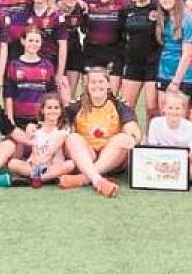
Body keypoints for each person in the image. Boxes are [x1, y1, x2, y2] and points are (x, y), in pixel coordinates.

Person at [59, 68, 140, 197]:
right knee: (72, 138)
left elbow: (133, 129)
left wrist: (131, 135)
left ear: (108, 84)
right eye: (93, 82)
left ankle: (84, 178)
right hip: (87, 155)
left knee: (124, 139)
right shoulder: (76, 106)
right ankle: (98, 180)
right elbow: (60, 127)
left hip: (112, 157)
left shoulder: (119, 104)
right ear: (87, 86)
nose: (97, 85)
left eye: (101, 82)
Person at [118, 0, 162, 118]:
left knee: (152, 108)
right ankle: (132, 138)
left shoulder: (159, 7)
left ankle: (151, 140)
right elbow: (121, 34)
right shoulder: (127, 9)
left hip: (153, 63)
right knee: (127, 107)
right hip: (132, 63)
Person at [7, 92, 75, 184]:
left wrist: (42, 161)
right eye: (49, 108)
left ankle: (39, 178)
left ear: (61, 110)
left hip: (53, 165)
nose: (53, 111)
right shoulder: (36, 129)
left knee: (70, 164)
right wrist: (35, 162)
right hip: (35, 165)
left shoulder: (63, 128)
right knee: (13, 163)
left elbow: (52, 150)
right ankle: (43, 177)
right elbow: (35, 150)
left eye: (56, 108)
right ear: (42, 110)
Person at [81, 0, 129, 91]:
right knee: (90, 93)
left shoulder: (123, 0)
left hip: (114, 51)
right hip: (91, 51)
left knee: (110, 94)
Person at [4, 27, 57, 130]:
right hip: (19, 118)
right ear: (23, 41)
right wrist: (11, 121)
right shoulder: (14, 65)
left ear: (41, 43)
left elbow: (51, 95)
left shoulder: (47, 65)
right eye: (30, 40)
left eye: (37, 41)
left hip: (40, 118)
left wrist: (50, 119)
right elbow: (8, 95)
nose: (34, 44)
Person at [146, 91, 192, 181]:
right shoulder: (155, 123)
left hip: (180, 164)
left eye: (177, 108)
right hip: (160, 162)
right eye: (170, 108)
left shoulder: (191, 128)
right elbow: (152, 150)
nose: (173, 112)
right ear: (164, 109)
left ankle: (169, 177)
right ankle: (174, 177)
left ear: (183, 110)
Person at [156, 0, 192, 96]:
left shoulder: (188, 19)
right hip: (164, 71)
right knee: (164, 111)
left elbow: (187, 54)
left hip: (184, 75)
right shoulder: (163, 18)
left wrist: (176, 82)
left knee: (178, 112)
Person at [26, 0, 68, 93]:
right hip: (30, 62)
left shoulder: (56, 15)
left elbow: (63, 45)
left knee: (58, 98)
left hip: (51, 62)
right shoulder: (25, 13)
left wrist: (60, 73)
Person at [57, 0, 87, 95]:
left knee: (69, 95)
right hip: (56, 53)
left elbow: (85, 29)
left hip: (74, 52)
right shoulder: (54, 10)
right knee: (55, 94)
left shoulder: (81, 8)